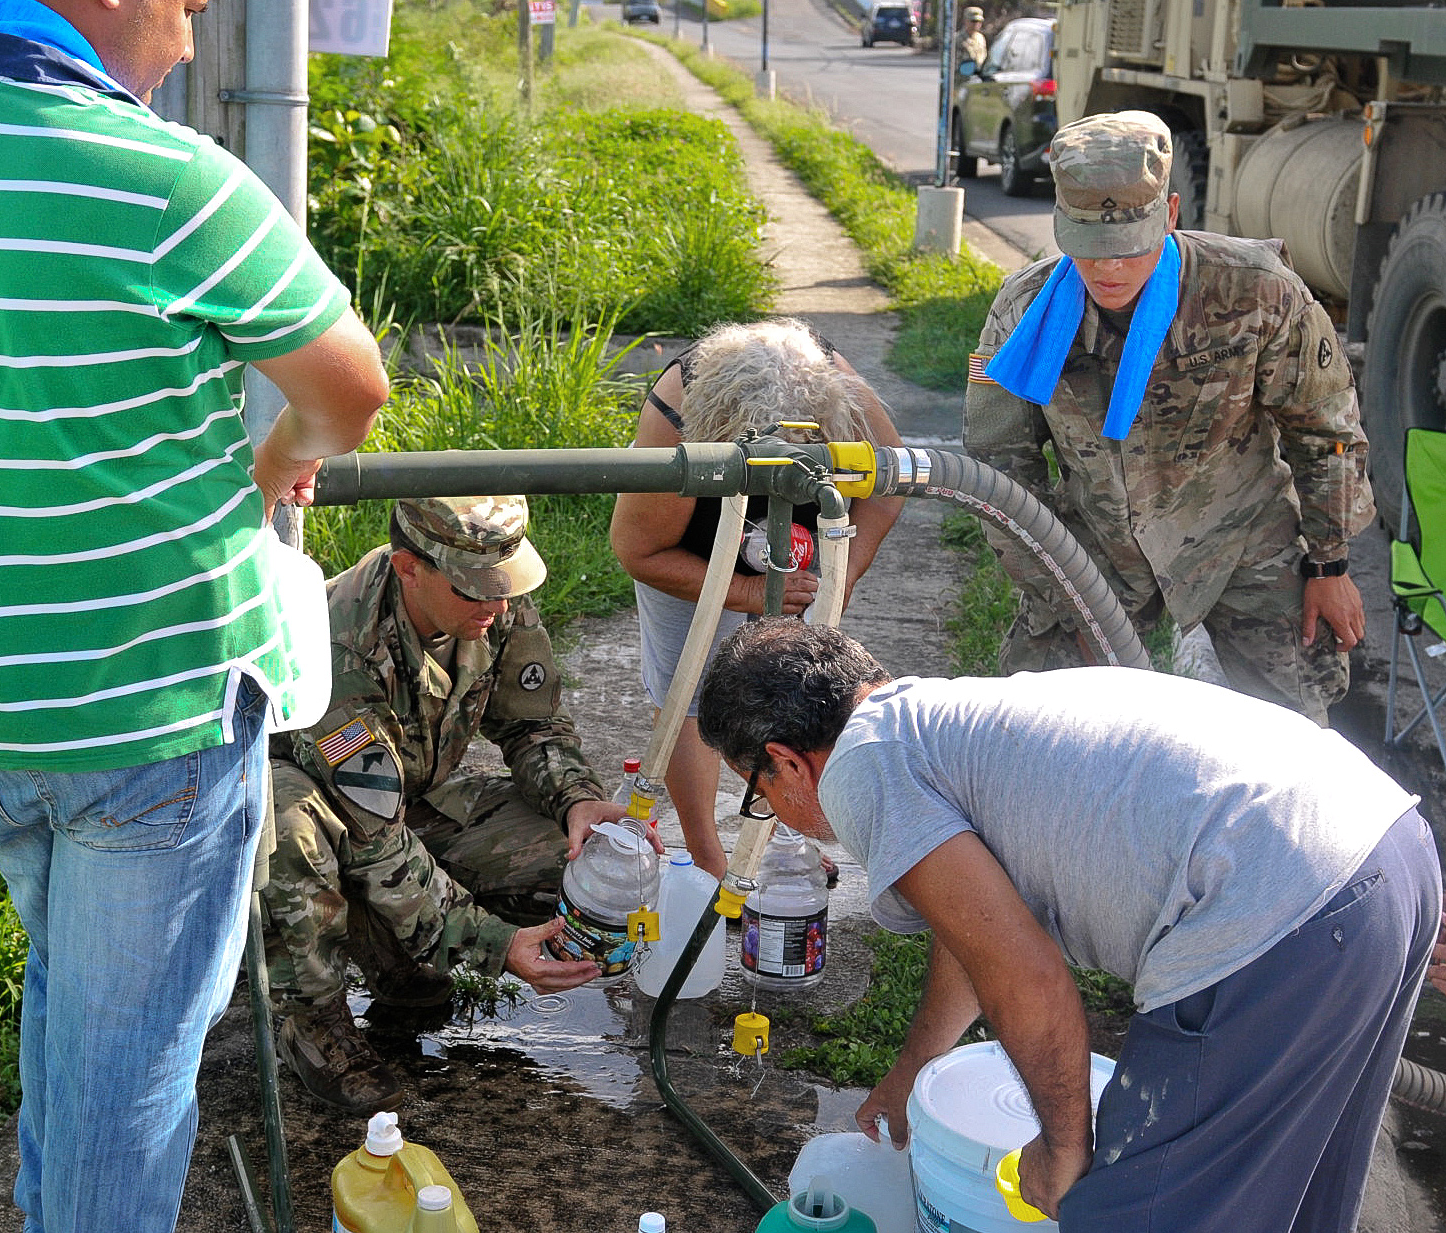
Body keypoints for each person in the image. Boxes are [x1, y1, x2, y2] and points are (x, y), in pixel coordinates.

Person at [0, 1, 389, 1229]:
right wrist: (280, 457)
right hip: (145, 715)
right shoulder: (163, 179)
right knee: (128, 1086)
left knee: (80, 1009)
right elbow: (350, 385)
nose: (200, 8)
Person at [695, 620, 1440, 1233]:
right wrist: (912, 1073)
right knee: (1297, 1201)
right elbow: (979, 937)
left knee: (1125, 1212)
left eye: (757, 795)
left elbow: (1027, 976)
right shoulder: (939, 721)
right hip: (1383, 842)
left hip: (1275, 902)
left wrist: (1062, 1146)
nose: (773, 814)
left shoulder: (862, 766)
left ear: (786, 762)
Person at [965, 110, 1372, 724]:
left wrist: (1329, 563)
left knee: (1292, 722)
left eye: (1129, 246)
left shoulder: (1255, 291)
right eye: (1088, 245)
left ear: (1171, 213)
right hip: (1095, 548)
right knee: (1038, 725)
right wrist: (1060, 590)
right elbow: (997, 467)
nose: (1108, 267)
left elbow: (1326, 431)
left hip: (1240, 537)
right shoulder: (1022, 314)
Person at [262, 495, 629, 1113]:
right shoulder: (337, 647)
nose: (498, 606)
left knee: (576, 859)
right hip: (327, 822)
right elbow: (375, 840)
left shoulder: (490, 602)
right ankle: (313, 1021)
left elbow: (531, 724)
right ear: (409, 568)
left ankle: (402, 955)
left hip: (407, 804)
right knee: (287, 821)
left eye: (506, 585)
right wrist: (494, 944)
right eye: (477, 590)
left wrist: (577, 801)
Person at [609, 319, 904, 877]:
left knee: (799, 685)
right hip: (686, 544)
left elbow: (888, 492)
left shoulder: (839, 393)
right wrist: (744, 590)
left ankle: (788, 833)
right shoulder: (677, 417)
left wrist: (840, 575)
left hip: (802, 534)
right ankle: (707, 851)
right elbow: (640, 551)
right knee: (688, 687)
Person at [956, 6, 987, 74]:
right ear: (965, 21)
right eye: (973, 21)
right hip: (962, 75)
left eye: (979, 21)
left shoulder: (981, 38)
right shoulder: (956, 39)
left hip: (979, 75)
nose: (976, 24)